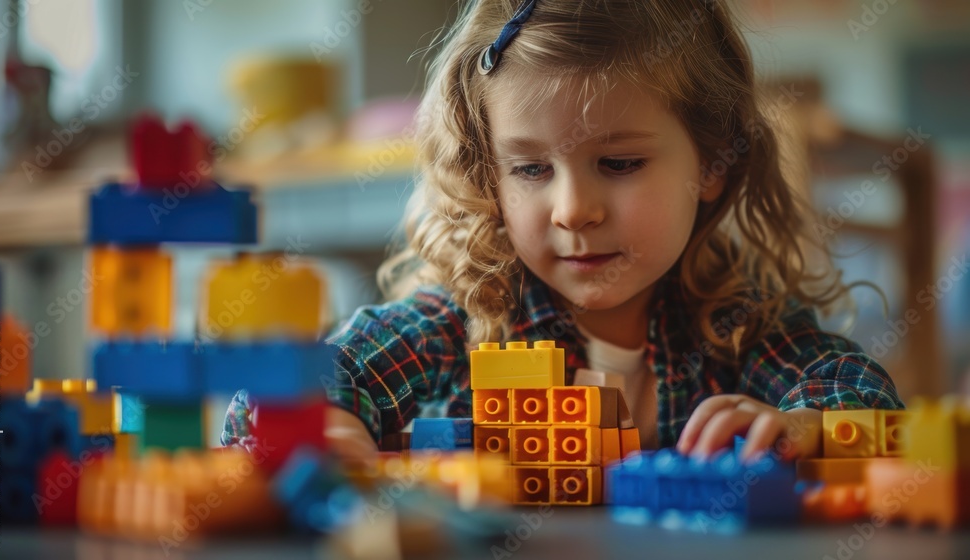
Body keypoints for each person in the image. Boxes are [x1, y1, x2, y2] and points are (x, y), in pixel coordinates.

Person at [221, 0, 903, 464]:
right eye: (530, 168)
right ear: (491, 175)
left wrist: (801, 429)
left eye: (620, 163)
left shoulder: (734, 319)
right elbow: (303, 380)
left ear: (713, 163)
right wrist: (326, 426)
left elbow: (856, 386)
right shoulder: (469, 321)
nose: (573, 209)